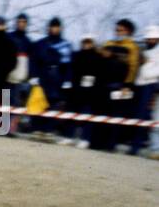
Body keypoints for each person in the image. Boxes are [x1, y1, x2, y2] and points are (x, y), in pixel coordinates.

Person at [100, 19, 143, 152]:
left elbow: (133, 66)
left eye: (121, 30)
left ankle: (111, 145)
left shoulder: (132, 47)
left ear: (129, 31)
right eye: (117, 29)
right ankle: (99, 143)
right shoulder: (108, 43)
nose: (118, 32)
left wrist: (127, 84)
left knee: (116, 114)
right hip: (104, 83)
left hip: (120, 85)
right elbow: (99, 56)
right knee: (103, 112)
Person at [64, 34, 109, 149]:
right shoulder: (76, 55)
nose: (86, 44)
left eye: (89, 42)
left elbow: (101, 75)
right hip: (76, 89)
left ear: (93, 43)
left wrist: (96, 87)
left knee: (87, 115)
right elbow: (71, 71)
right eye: (84, 42)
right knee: (71, 114)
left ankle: (85, 139)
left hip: (91, 91)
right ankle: (68, 136)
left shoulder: (99, 57)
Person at [30, 17, 73, 133]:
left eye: (56, 27)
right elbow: (33, 61)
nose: (54, 29)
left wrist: (67, 80)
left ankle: (48, 130)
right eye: (52, 27)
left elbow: (68, 65)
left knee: (53, 104)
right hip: (43, 76)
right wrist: (33, 76)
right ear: (48, 28)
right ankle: (36, 129)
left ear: (60, 28)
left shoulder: (65, 45)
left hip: (57, 77)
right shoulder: (41, 43)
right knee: (39, 102)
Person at [136, 25, 159, 154]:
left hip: (153, 85)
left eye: (152, 38)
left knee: (152, 116)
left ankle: (154, 148)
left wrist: (146, 65)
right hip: (142, 85)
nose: (150, 41)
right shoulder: (144, 51)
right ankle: (137, 144)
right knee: (140, 116)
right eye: (148, 38)